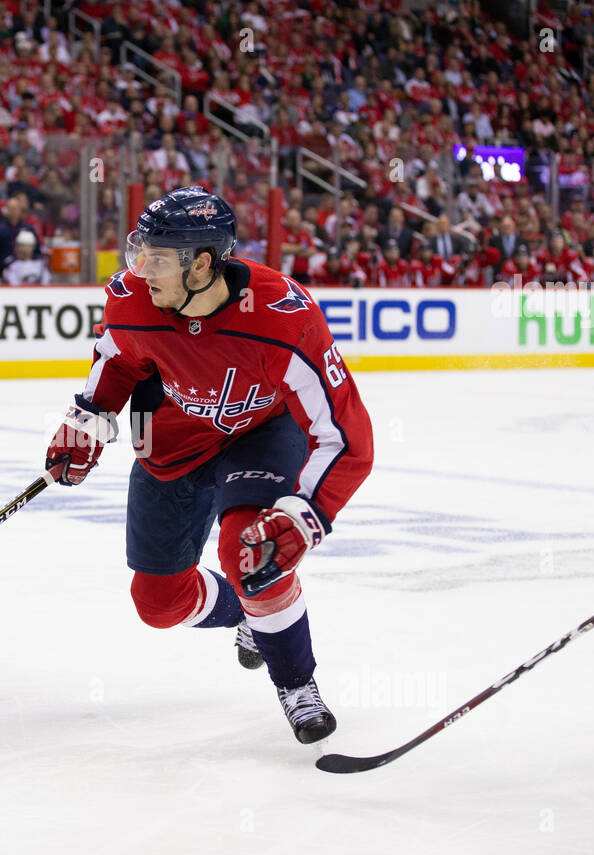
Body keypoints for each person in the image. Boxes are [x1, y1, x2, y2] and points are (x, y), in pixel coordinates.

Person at [43, 186, 374, 744]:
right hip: (170, 441)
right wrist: (89, 417)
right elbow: (117, 358)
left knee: (251, 549)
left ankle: (294, 681)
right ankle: (245, 611)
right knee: (158, 604)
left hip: (260, 435)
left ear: (202, 264)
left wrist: (304, 516)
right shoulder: (132, 297)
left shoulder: (283, 318)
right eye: (138, 251)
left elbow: (344, 436)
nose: (142, 269)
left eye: (159, 258)